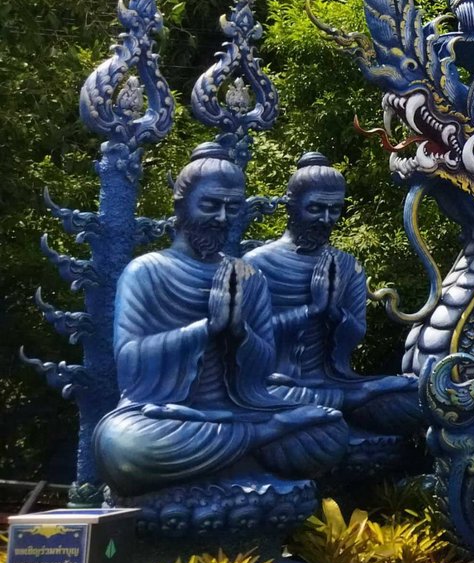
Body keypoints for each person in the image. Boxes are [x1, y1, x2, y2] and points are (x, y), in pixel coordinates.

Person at [94, 145, 347, 495]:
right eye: (210, 205)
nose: (222, 217)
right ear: (181, 205)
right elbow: (129, 362)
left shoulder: (247, 275)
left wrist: (239, 333)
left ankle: (252, 437)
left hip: (236, 410)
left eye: (233, 207)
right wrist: (206, 329)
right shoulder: (146, 271)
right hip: (166, 417)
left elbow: (264, 368)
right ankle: (260, 437)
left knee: (328, 430)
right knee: (121, 445)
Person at [250, 154, 423, 441]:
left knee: (416, 397)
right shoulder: (257, 264)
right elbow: (249, 340)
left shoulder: (346, 265)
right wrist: (312, 311)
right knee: (299, 411)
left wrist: (334, 313)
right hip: (277, 386)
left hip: (334, 382)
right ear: (291, 205)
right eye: (316, 208)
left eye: (334, 210)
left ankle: (340, 407)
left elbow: (356, 334)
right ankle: (335, 411)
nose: (326, 219)